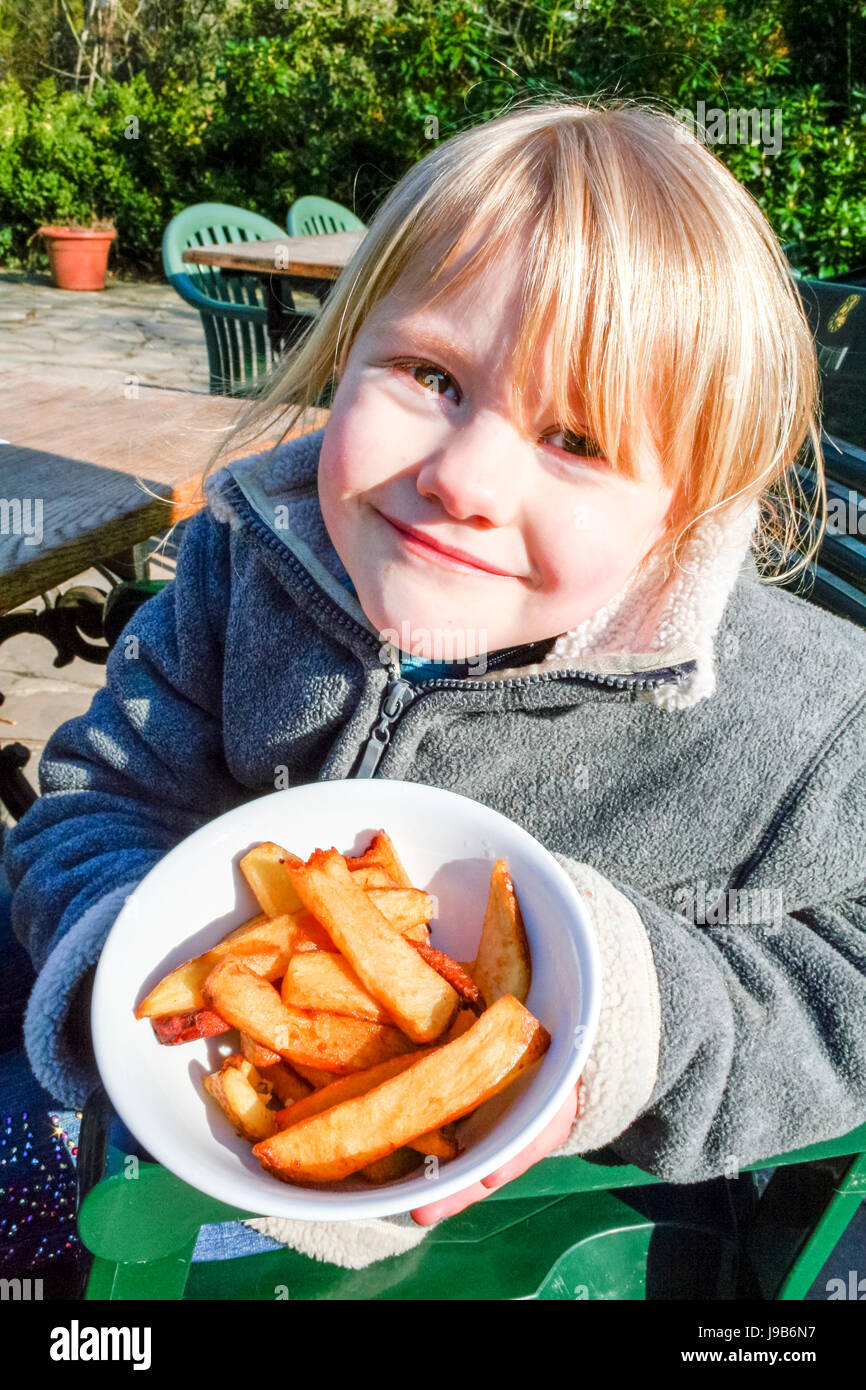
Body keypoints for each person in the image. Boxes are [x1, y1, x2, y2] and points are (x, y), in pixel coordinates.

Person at [5, 96, 866, 1275]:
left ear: (690, 502)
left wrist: (624, 1034)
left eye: (577, 441)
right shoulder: (240, 561)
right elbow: (92, 796)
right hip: (170, 1173)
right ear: (346, 348)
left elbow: (846, 1000)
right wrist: (121, 963)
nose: (462, 478)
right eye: (428, 373)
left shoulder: (810, 721)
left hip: (560, 1229)